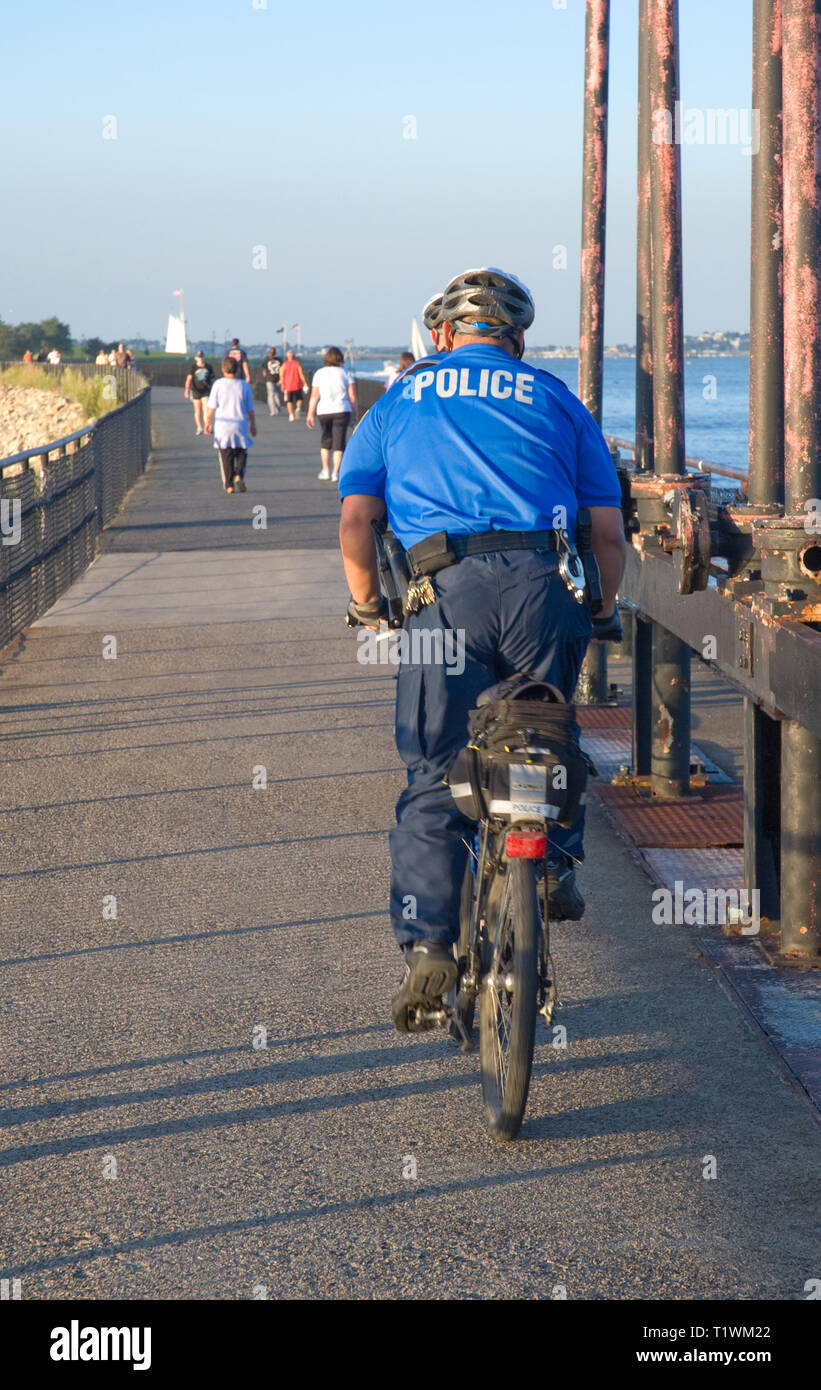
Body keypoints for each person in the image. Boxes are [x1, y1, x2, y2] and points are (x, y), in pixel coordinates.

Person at [338, 267, 625, 1030]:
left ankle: (430, 946)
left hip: (444, 591)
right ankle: (554, 861)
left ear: (440, 337)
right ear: (519, 340)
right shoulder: (557, 399)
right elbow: (605, 531)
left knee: (434, 774)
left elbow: (357, 521)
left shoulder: (398, 399)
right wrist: (598, 608)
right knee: (543, 737)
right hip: (543, 587)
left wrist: (368, 605)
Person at [204, 355, 256, 493]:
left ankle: (229, 485)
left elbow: (212, 407)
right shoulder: (244, 386)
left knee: (226, 457)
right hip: (240, 424)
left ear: (223, 369)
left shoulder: (218, 385)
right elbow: (250, 409)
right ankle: (239, 474)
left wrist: (207, 421)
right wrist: (253, 424)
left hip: (223, 426)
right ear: (238, 368)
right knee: (241, 453)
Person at [306, 346, 358, 481]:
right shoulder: (346, 373)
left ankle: (325, 470)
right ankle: (336, 472)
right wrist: (355, 415)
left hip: (324, 410)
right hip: (342, 409)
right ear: (340, 358)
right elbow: (352, 396)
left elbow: (314, 396)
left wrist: (310, 414)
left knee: (326, 440)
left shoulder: (319, 373)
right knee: (339, 443)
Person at [184, 350, 216, 434]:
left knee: (206, 409)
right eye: (198, 357)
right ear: (196, 358)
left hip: (206, 391)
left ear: (203, 357)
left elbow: (213, 378)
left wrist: (210, 384)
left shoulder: (208, 366)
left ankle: (207, 426)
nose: (200, 358)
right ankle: (199, 427)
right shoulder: (193, 367)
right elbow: (189, 379)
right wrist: (187, 390)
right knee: (197, 410)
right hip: (196, 390)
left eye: (201, 357)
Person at [280, 348, 308, 420]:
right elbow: (301, 374)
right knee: (299, 398)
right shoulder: (297, 364)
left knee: (289, 401)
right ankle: (298, 409)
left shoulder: (284, 364)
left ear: (287, 356)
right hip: (297, 385)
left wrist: (282, 385)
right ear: (294, 356)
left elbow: (282, 375)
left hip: (288, 386)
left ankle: (291, 414)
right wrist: (305, 383)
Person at [262, 348, 282, 416]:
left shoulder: (277, 360)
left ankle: (275, 409)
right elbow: (264, 370)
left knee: (274, 395)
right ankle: (274, 410)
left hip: (273, 379)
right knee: (274, 394)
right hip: (272, 379)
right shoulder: (269, 360)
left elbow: (264, 372)